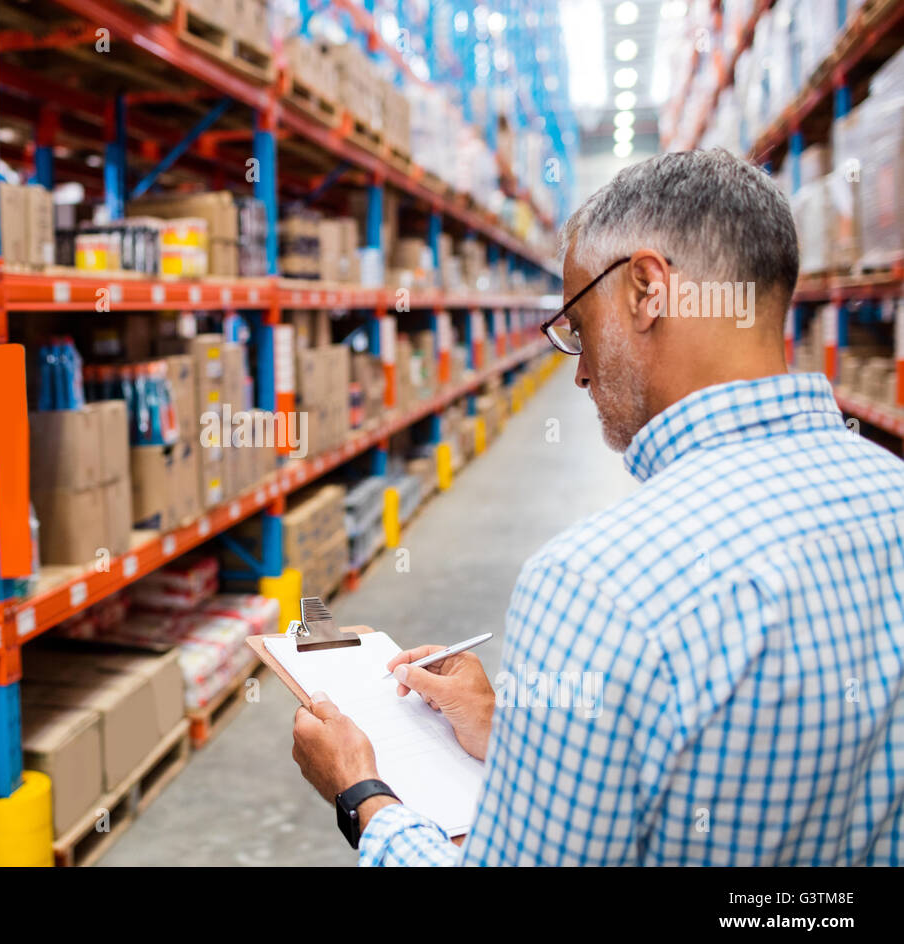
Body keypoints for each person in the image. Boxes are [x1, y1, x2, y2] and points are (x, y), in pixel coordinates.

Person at [291, 148, 904, 865]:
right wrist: (511, 728)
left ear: (647, 289)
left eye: (579, 328)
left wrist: (362, 796)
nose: (579, 372)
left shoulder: (597, 582)